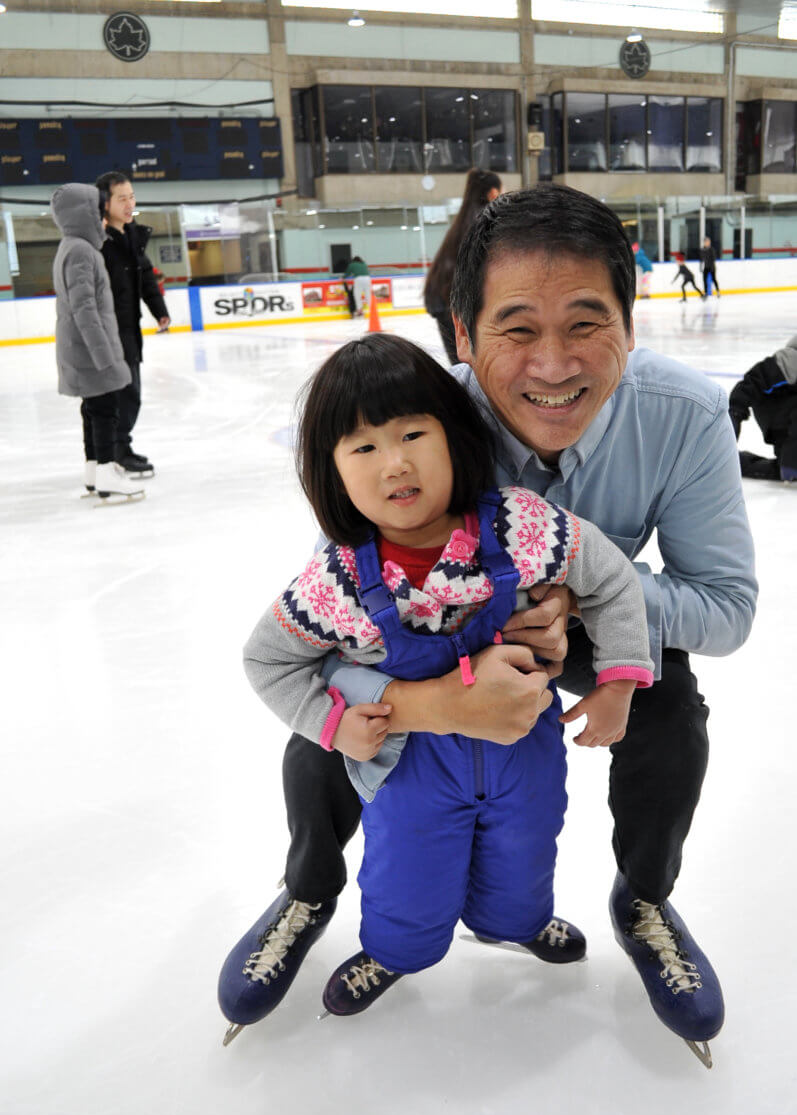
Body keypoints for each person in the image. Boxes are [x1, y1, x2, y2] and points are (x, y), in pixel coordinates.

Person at [220, 184, 757, 1068]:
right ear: (464, 336)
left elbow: (725, 609)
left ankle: (643, 899)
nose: (552, 364)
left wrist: (582, 601)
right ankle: (308, 888)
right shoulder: (418, 419)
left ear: (629, 321)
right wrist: (428, 704)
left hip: (593, 623)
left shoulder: (683, 417)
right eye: (516, 329)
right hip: (433, 645)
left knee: (669, 711)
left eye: (585, 322)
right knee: (329, 726)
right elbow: (338, 608)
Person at [219, 332, 653, 1033]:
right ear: (331, 472)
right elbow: (267, 660)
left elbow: (610, 580)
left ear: (454, 436)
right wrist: (330, 723)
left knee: (526, 851)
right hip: (409, 769)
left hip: (525, 752)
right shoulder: (337, 579)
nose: (394, 462)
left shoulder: (521, 525)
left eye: (413, 434)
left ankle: (517, 923)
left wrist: (618, 682)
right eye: (363, 447)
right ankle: (393, 951)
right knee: (406, 877)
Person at [51, 182, 142, 502]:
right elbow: (85, 308)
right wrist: (104, 357)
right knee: (104, 410)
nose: (102, 217)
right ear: (82, 214)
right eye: (96, 210)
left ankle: (94, 470)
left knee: (92, 410)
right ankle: (105, 472)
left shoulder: (73, 246)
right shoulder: (81, 251)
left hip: (82, 348)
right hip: (90, 351)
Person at [95, 171, 171, 478]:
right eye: (121, 198)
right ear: (105, 203)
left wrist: (159, 310)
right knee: (121, 393)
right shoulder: (99, 241)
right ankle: (116, 451)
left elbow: (146, 277)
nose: (129, 204)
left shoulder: (132, 237)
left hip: (130, 328)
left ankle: (121, 446)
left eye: (132, 197)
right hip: (109, 331)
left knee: (131, 392)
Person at [424, 168, 501, 363]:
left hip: (442, 303)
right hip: (460, 308)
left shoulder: (460, 224)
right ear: (493, 193)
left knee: (463, 370)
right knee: (475, 370)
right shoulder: (489, 224)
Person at [729, 334, 797, 482]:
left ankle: (788, 464)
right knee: (791, 465)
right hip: (776, 410)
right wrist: (735, 413)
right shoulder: (791, 361)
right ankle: (788, 464)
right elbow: (749, 385)